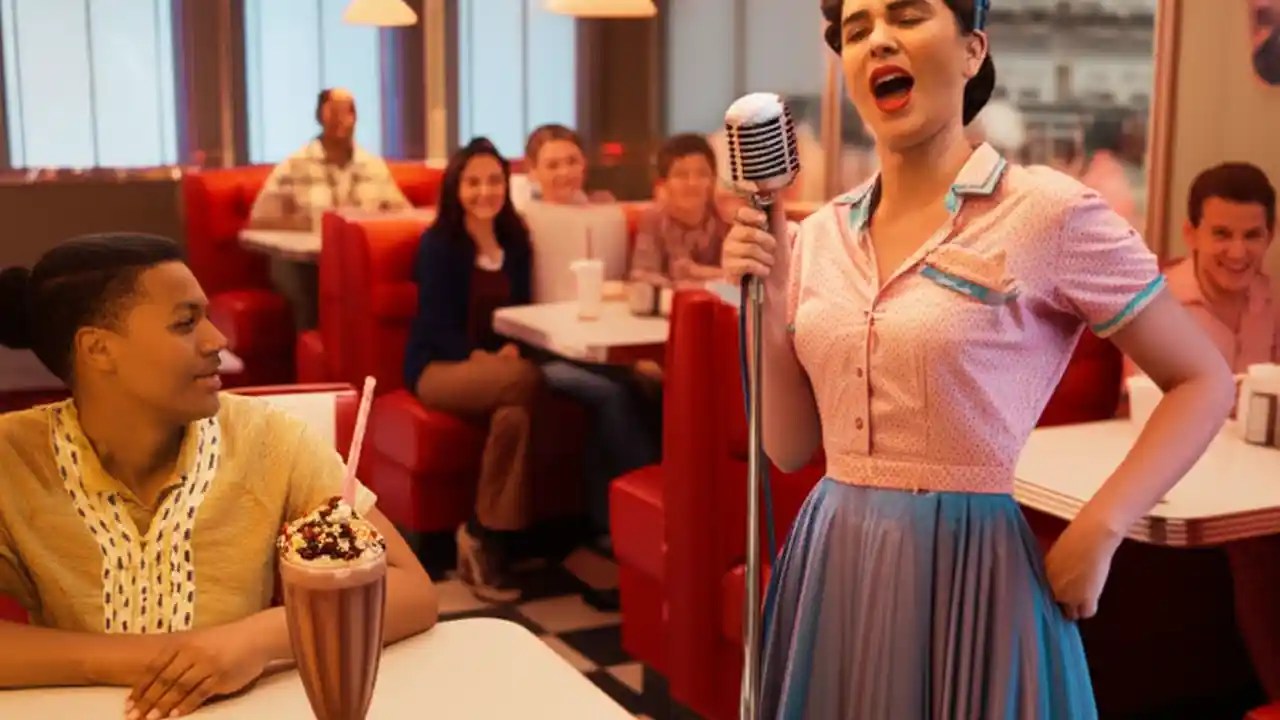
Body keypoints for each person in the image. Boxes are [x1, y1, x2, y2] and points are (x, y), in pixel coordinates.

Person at [721, 1, 1236, 716]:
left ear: (972, 50)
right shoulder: (817, 237)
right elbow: (790, 446)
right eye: (859, 28)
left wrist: (1102, 526)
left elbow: (1203, 379)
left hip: (972, 569)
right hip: (832, 560)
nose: (879, 41)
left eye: (907, 14)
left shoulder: (1048, 212)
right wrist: (768, 300)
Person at [0, 234, 437, 718]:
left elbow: (410, 590)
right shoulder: (12, 456)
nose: (217, 339)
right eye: (186, 323)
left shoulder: (270, 441)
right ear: (98, 348)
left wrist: (252, 640)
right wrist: (151, 660)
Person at [403, 138, 539, 602]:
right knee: (528, 382)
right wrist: (482, 357)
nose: (486, 191)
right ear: (455, 188)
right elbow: (434, 325)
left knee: (515, 413)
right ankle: (487, 535)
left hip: (498, 375)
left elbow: (524, 312)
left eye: (495, 180)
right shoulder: (439, 244)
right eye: (474, 181)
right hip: (440, 368)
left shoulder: (516, 241)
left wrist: (509, 348)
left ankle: (483, 537)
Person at [248, 87, 412, 330]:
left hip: (357, 263)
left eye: (349, 112)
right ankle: (312, 360)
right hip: (304, 265)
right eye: (334, 111)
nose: (342, 119)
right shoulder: (295, 165)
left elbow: (403, 213)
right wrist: (302, 224)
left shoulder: (372, 166)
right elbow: (259, 220)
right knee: (312, 290)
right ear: (319, 116)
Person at [1127, 162, 1278, 377]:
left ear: (1270, 237)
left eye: (1252, 235)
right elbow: (1147, 405)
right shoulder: (1155, 310)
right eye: (1222, 234)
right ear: (1191, 234)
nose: (1237, 253)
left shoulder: (1274, 301)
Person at [630, 133, 730, 288]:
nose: (692, 183)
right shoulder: (654, 219)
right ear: (663, 183)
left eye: (702, 174)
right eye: (681, 175)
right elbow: (641, 275)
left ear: (713, 180)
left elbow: (745, 277)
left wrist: (696, 273)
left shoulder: (724, 218)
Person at [523, 124, 615, 205]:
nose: (565, 172)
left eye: (572, 161)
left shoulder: (604, 206)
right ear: (532, 171)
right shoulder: (523, 218)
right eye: (553, 165)